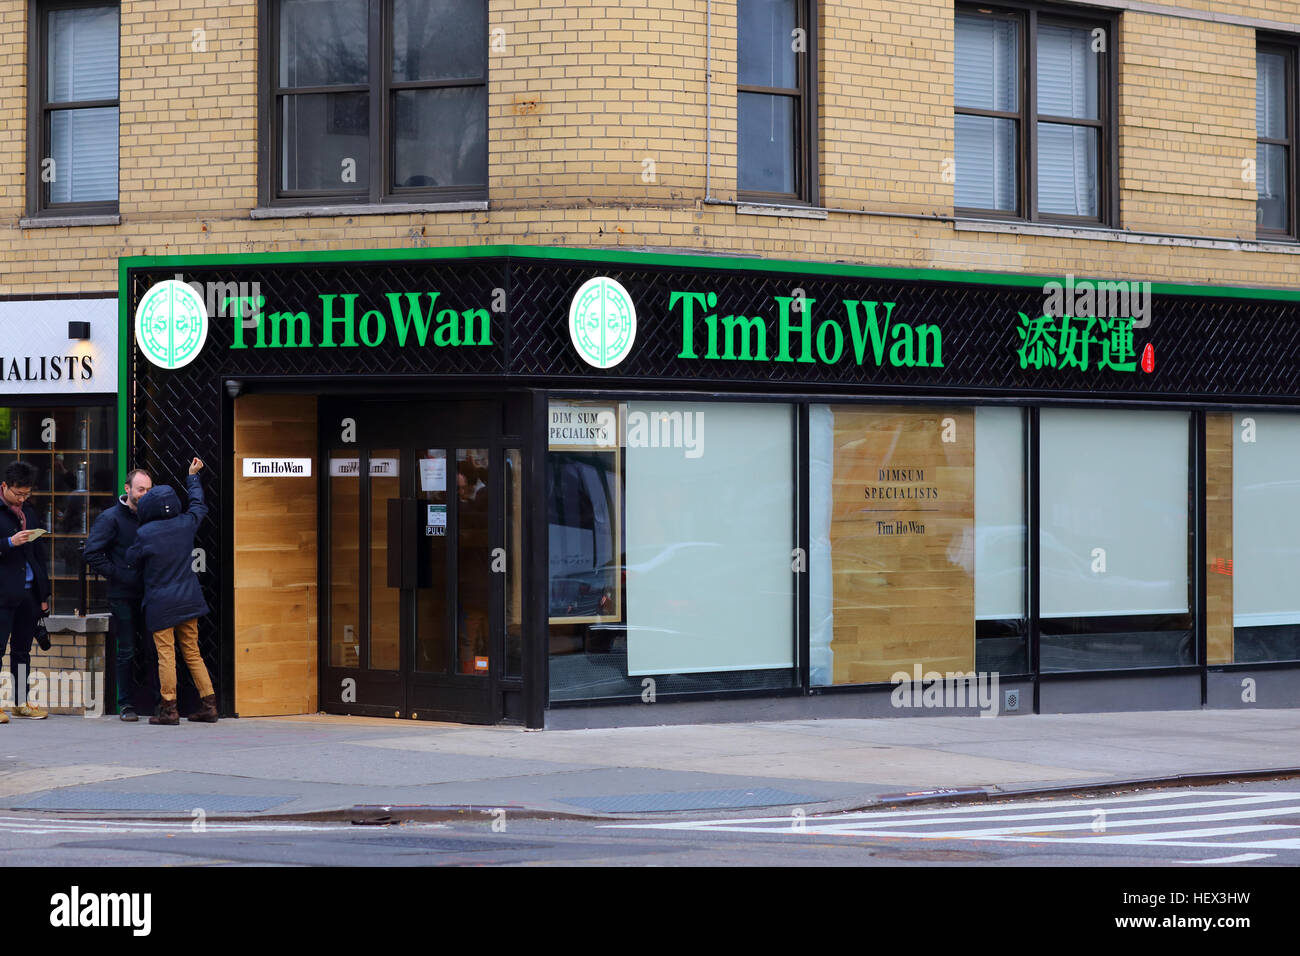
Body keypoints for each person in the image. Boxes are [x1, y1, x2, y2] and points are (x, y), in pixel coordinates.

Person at [125, 458, 217, 726]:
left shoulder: (145, 533)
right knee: (193, 653)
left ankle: (169, 709)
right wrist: (192, 477)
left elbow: (131, 560)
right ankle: (209, 704)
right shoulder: (186, 524)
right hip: (189, 600)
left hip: (160, 604)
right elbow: (199, 505)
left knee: (167, 655)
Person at [83, 468, 161, 721]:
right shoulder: (111, 518)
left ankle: (156, 702)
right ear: (127, 489)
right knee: (126, 649)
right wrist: (119, 574)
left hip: (150, 592)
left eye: (149, 489)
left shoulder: (154, 515)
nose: (146, 494)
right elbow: (92, 553)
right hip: (123, 594)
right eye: (141, 489)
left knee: (154, 648)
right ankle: (126, 704)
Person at [0, 461, 51, 721]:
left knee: (22, 650)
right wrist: (9, 542)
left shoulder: (29, 512)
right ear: (5, 486)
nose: (22, 498)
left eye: (26, 494)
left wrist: (44, 594)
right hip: (3, 590)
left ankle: (21, 701)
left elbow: (39, 553)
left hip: (29, 590)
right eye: (18, 493)